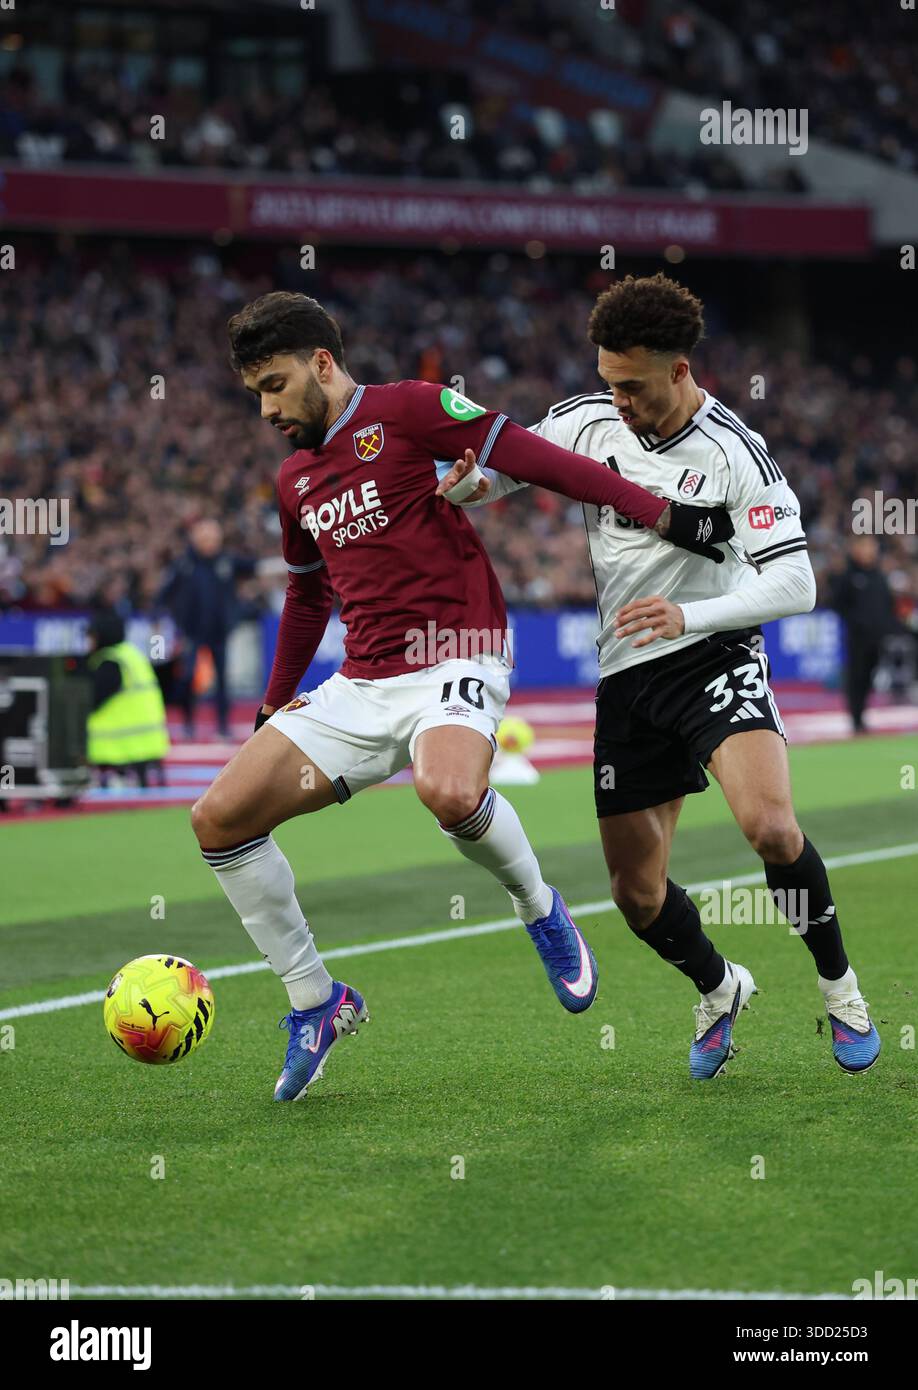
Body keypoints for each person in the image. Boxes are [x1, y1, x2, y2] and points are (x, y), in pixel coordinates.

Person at [189, 290, 735, 1101]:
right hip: (364, 682)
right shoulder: (294, 480)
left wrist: (655, 511)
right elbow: (308, 598)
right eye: (255, 393)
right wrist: (274, 707)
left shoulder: (409, 410)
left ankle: (539, 906)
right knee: (218, 819)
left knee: (446, 790)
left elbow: (532, 457)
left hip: (458, 650)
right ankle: (316, 1001)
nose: (267, 407)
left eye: (274, 384)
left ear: (323, 364)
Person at [439, 273, 880, 1077]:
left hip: (714, 656)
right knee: (636, 896)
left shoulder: (736, 454)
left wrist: (693, 616)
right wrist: (467, 485)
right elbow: (496, 479)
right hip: (628, 677)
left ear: (681, 372)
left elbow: (796, 584)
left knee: (772, 829)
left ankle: (841, 988)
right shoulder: (583, 421)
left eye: (634, 387)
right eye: (609, 382)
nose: (620, 402)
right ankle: (719, 988)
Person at [158, 519, 255, 739]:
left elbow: (253, 567)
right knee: (188, 678)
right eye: (205, 538)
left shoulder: (227, 561)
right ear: (196, 540)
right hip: (192, 632)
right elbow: (165, 593)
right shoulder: (184, 564)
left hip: (219, 631)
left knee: (222, 682)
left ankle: (222, 726)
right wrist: (164, 618)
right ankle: (188, 723)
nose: (210, 543)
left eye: (214, 538)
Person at [86, 609, 170, 787]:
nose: (88, 642)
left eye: (91, 636)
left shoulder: (110, 662)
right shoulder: (133, 655)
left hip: (118, 750)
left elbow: (91, 701)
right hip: (149, 745)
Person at [828, 536, 898, 734]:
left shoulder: (879, 576)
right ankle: (856, 718)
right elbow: (837, 603)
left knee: (870, 676)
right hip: (857, 637)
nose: (870, 551)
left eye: (872, 547)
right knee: (856, 677)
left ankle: (862, 715)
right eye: (865, 546)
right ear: (855, 549)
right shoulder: (848, 576)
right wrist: (856, 621)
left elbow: (887, 604)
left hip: (878, 636)